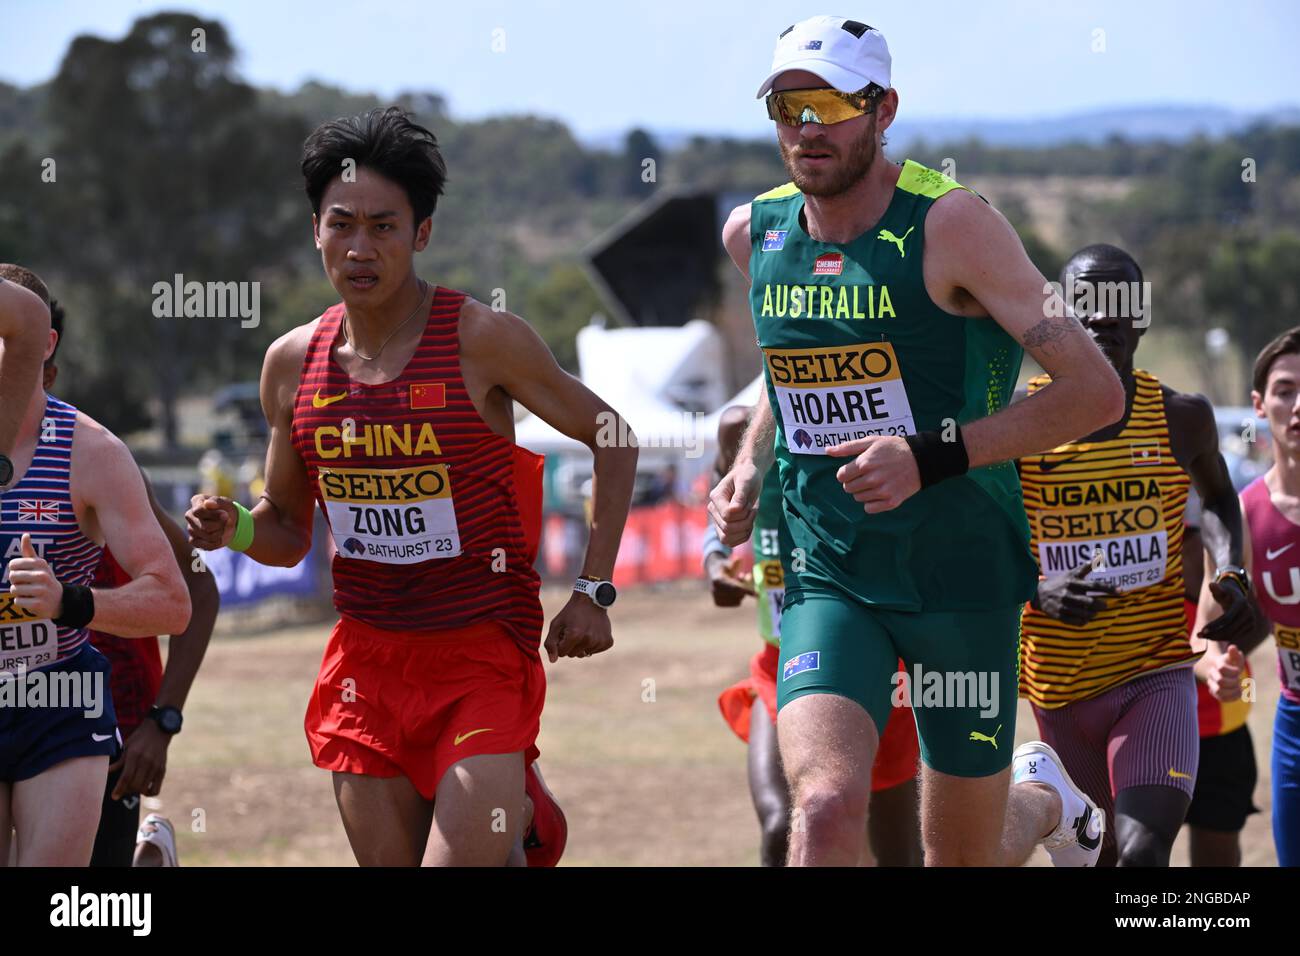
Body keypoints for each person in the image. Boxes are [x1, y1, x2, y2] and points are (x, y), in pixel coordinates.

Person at [710, 17, 1124, 866]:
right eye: (787, 106)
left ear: (884, 108)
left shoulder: (957, 226)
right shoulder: (757, 233)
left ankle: (1040, 801)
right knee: (822, 807)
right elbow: (788, 367)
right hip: (834, 571)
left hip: (959, 573)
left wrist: (931, 455)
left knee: (957, 859)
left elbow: (1093, 390)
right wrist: (752, 462)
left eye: (829, 104)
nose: (807, 128)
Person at [186, 108, 637, 866]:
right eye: (342, 224)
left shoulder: (483, 340)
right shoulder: (292, 365)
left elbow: (614, 437)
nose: (361, 247)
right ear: (316, 230)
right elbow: (288, 528)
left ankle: (513, 803)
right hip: (366, 665)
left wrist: (594, 589)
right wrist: (232, 524)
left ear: (421, 234)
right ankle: (518, 817)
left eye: (385, 227)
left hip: (480, 655)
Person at [1018, 244, 1254, 866]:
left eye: (1119, 305)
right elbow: (971, 543)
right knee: (1102, 861)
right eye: (1084, 305)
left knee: (1143, 854)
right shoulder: (1017, 422)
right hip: (1060, 684)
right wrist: (1035, 587)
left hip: (1155, 672)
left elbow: (1222, 497)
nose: (1102, 321)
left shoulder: (1182, 418)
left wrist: (1231, 569)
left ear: (1141, 318)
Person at [0, 263, 190, 865]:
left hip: (61, 692)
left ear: (43, 344)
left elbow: (174, 601)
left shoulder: (91, 451)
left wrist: (69, 602)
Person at [36, 297, 219, 867]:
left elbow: (197, 588)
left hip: (105, 728)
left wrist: (162, 722)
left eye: (16, 349)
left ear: (48, 370)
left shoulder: (94, 463)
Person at [708, 405, 921, 866]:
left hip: (879, 665)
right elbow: (718, 498)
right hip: (781, 665)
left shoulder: (866, 409)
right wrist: (715, 564)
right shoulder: (738, 428)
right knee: (781, 823)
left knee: (899, 854)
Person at [1197, 326, 1300, 867]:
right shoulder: (1245, 516)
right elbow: (1204, 630)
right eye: (1285, 390)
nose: (1299, 405)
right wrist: (1218, 668)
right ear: (1259, 405)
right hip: (1294, 727)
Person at [1180, 490, 1257, 866]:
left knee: (1217, 853)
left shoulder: (1228, 504)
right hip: (1127, 722)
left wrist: (1219, 660)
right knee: (1130, 849)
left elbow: (1261, 616)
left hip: (1218, 724)